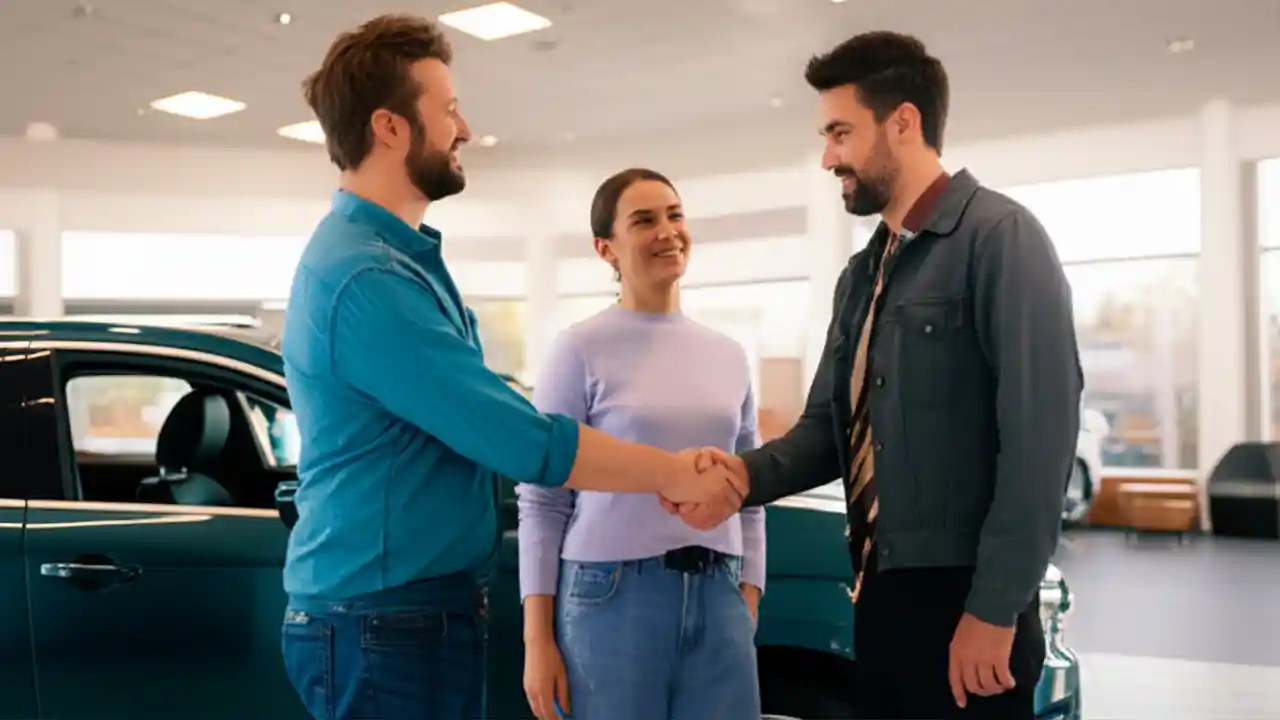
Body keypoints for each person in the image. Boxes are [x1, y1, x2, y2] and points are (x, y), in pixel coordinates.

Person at [277, 15, 745, 720]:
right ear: (390, 128)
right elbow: (520, 441)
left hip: (406, 614)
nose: (463, 130)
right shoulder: (367, 278)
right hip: (383, 621)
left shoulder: (395, 259)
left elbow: (478, 413)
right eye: (449, 111)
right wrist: (674, 473)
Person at [677, 31, 1082, 719]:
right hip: (881, 594)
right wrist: (741, 479)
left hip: (966, 602)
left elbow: (1039, 446)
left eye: (841, 132)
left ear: (904, 122)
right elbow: (826, 430)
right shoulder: (864, 274)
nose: (828, 156)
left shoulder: (1000, 238)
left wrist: (993, 609)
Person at [518, 168, 766, 720]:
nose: (668, 231)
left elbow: (750, 486)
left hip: (719, 592)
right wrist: (538, 641)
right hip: (609, 597)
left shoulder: (728, 354)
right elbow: (542, 498)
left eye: (675, 215)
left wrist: (748, 592)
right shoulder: (577, 349)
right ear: (605, 248)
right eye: (644, 220)